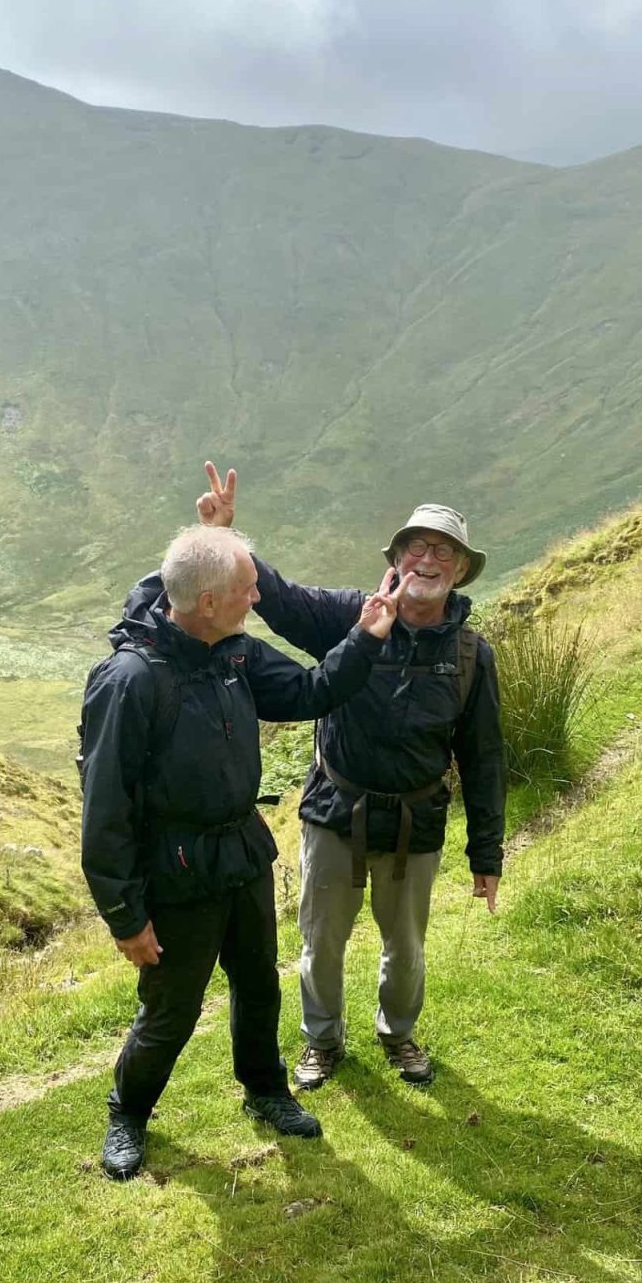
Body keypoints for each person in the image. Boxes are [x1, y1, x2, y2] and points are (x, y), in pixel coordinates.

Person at [79, 524, 410, 1180]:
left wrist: (366, 636)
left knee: (258, 984)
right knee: (171, 1008)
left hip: (242, 851)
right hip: (175, 870)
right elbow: (105, 808)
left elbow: (310, 692)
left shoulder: (233, 652)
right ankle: (128, 1114)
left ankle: (265, 1090)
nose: (258, 597)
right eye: (247, 588)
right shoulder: (130, 680)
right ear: (206, 602)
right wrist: (124, 916)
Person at [196, 465, 505, 1089]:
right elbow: (279, 600)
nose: (428, 560)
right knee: (321, 941)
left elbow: (483, 756)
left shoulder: (471, 654)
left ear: (461, 570)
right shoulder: (348, 615)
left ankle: (398, 1034)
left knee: (407, 946)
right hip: (336, 811)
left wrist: (486, 853)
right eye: (416, 547)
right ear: (395, 559)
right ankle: (322, 1040)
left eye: (444, 551)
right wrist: (224, 538)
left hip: (417, 823)